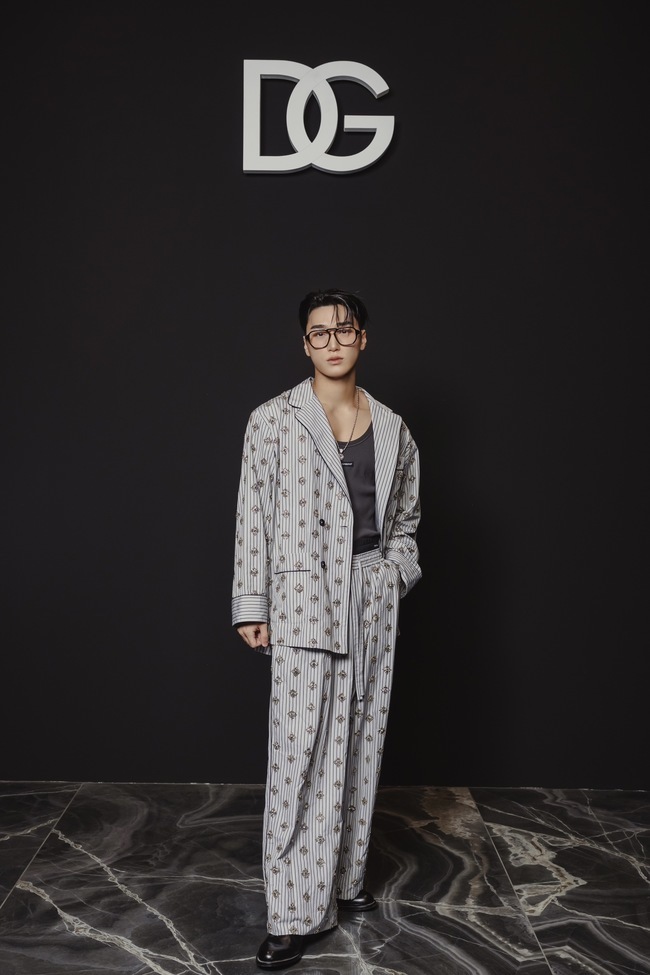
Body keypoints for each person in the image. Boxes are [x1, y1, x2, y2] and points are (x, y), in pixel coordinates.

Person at [231, 287, 422, 970]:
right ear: (304, 343)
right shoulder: (272, 420)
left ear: (362, 337)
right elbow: (252, 512)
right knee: (300, 757)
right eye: (320, 332)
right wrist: (252, 604)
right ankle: (292, 912)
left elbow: (406, 521)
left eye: (344, 329)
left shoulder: (395, 428)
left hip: (372, 601)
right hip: (303, 599)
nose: (333, 341)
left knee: (362, 745)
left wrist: (394, 573)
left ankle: (344, 880)